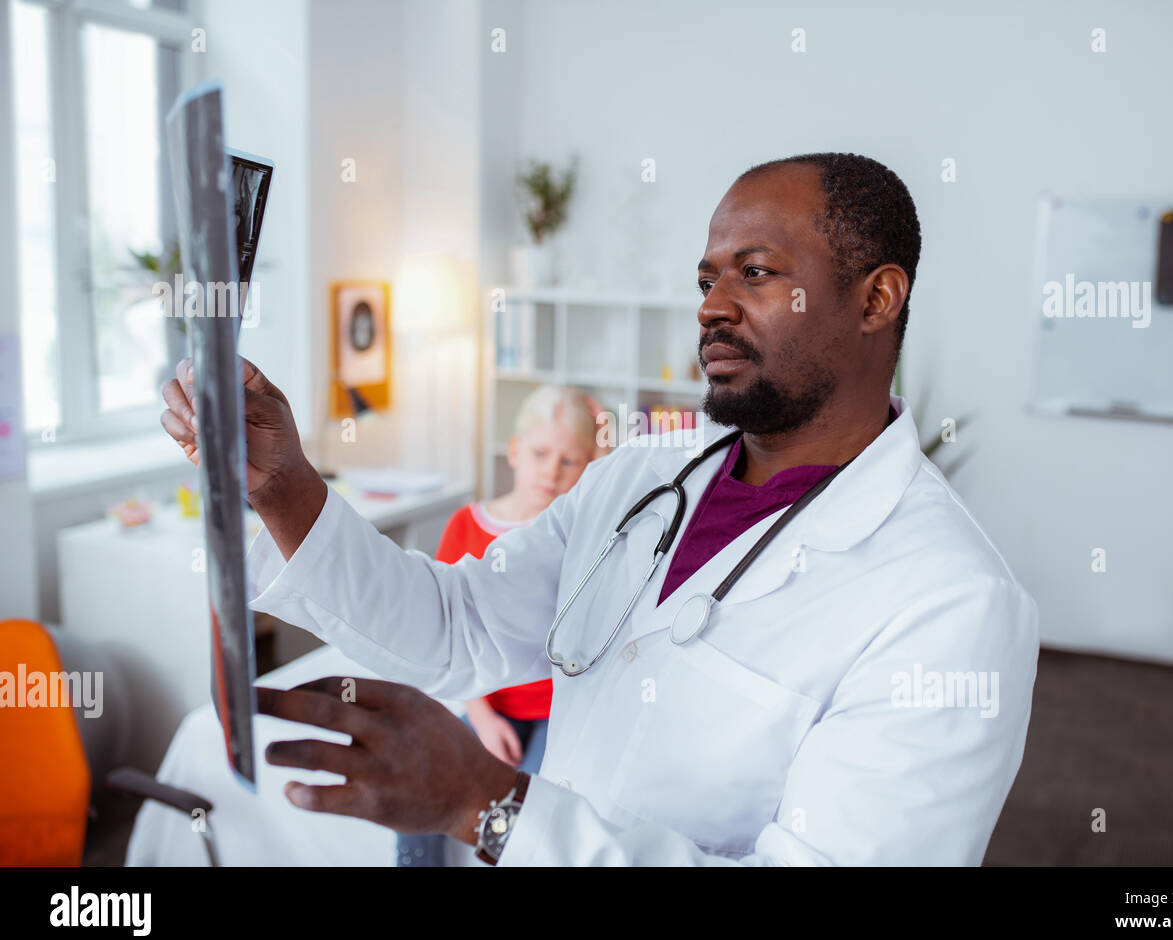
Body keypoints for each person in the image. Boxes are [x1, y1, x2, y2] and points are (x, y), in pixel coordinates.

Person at [161, 151, 1039, 866]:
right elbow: (458, 627)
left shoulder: (952, 604)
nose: (711, 307)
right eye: (706, 277)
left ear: (877, 300)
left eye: (756, 273)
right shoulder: (640, 478)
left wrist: (487, 804)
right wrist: (287, 489)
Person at [397, 384, 604, 866]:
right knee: (423, 791)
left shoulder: (585, 533)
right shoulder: (466, 526)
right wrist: (485, 720)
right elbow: (451, 636)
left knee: (526, 822)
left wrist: (605, 456)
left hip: (560, 712)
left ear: (590, 466)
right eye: (540, 453)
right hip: (491, 701)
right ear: (514, 451)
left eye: (570, 461)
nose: (552, 472)